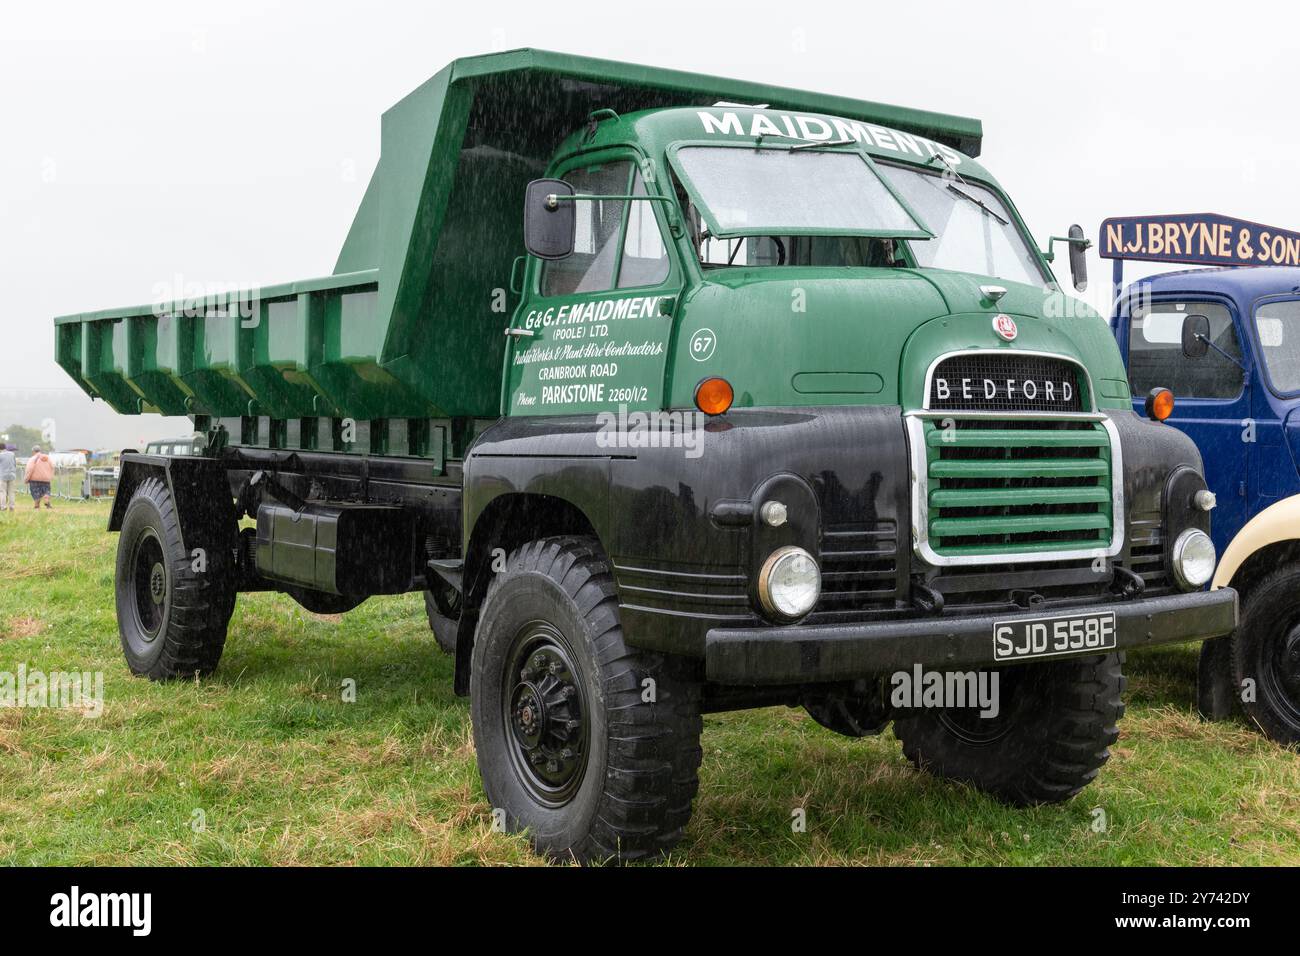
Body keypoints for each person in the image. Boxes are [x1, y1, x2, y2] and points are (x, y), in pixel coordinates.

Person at [24, 445, 53, 510]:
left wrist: (26, 479)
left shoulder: (32, 459)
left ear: (33, 451)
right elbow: (52, 467)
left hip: (34, 479)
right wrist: (50, 477)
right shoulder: (47, 458)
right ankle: (46, 498)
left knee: (36, 492)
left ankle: (37, 507)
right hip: (46, 479)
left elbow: (29, 469)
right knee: (46, 491)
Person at [0, 444, 16, 512]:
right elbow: (14, 464)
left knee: (2, 492)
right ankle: (12, 507)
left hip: (3, 475)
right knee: (11, 492)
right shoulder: (12, 454)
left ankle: (3, 507)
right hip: (12, 475)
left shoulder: (0, 455)